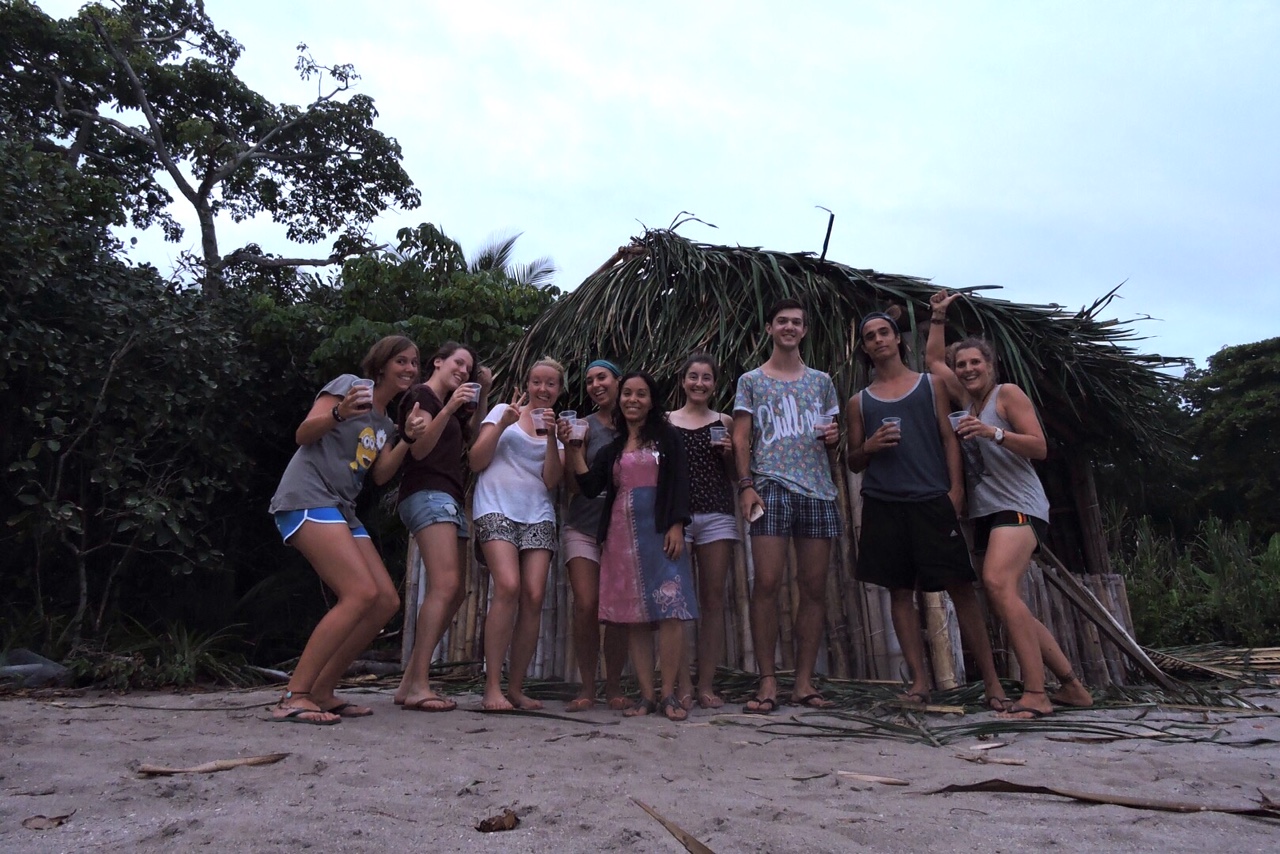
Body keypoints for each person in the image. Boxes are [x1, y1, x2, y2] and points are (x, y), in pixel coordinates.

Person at [927, 290, 1094, 717]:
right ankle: (1072, 686)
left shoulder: (1006, 395)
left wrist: (992, 434)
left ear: (990, 365)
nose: (966, 370)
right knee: (1007, 600)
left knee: (999, 586)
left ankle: (1036, 695)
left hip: (1020, 505)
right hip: (989, 511)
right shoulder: (968, 403)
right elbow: (933, 363)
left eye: (974, 363)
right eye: (962, 364)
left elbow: (1039, 447)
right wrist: (939, 317)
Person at [846, 310, 1008, 710]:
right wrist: (869, 446)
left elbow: (948, 438)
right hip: (884, 502)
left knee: (961, 590)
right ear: (865, 348)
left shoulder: (931, 385)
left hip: (931, 499)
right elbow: (852, 459)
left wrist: (955, 490)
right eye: (870, 336)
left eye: (885, 332)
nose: (879, 340)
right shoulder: (858, 402)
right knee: (900, 593)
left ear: (898, 340)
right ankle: (919, 683)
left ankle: (992, 683)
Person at [268, 335, 425, 724]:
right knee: (358, 593)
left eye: (414, 363)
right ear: (382, 364)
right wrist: (339, 413)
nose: (409, 369)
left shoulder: (386, 422)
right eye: (401, 361)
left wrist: (406, 437)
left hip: (342, 509)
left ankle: (322, 691)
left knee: (385, 601)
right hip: (307, 496)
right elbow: (304, 434)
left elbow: (381, 474)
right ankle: (295, 694)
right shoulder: (348, 386)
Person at [734, 299, 842, 714]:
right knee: (766, 583)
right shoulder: (751, 381)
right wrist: (746, 485)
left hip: (817, 489)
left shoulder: (822, 382)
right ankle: (766, 680)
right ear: (769, 328)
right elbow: (742, 438)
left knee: (813, 589)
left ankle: (802, 681)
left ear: (805, 329)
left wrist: (834, 439)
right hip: (770, 485)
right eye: (782, 321)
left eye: (797, 321)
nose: (790, 327)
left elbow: (833, 436)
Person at [569, 372, 697, 722]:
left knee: (670, 611)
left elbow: (680, 482)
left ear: (652, 400)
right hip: (621, 539)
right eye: (627, 393)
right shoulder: (612, 447)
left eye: (641, 394)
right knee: (635, 617)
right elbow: (589, 485)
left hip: (661, 532)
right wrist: (574, 449)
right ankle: (647, 696)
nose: (632, 400)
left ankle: (669, 693)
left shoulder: (667, 438)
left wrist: (676, 524)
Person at [393, 342, 490, 713]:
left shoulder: (449, 407)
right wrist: (448, 406)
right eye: (458, 362)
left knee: (457, 592)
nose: (464, 370)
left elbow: (472, 436)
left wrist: (482, 397)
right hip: (427, 493)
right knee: (445, 586)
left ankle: (408, 684)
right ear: (438, 361)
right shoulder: (422, 396)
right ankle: (419, 682)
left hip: (446, 496)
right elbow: (418, 450)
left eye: (468, 367)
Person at [469, 358, 566, 711]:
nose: (543, 389)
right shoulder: (502, 411)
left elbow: (552, 481)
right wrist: (503, 423)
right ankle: (491, 686)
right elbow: (476, 461)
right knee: (507, 586)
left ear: (558, 389)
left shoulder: (558, 427)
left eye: (550, 383)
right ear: (527, 383)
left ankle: (517, 687)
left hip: (537, 512)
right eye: (537, 381)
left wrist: (555, 436)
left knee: (535, 595)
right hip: (495, 504)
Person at [558, 359, 629, 712]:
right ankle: (587, 687)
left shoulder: (637, 426)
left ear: (618, 380)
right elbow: (575, 487)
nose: (595, 385)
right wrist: (573, 449)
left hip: (622, 530)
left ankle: (614, 686)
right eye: (588, 380)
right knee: (586, 605)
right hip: (583, 526)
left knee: (616, 611)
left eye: (602, 377)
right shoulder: (581, 426)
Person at [668, 353, 738, 710]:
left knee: (713, 601)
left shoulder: (724, 421)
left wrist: (729, 453)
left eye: (706, 378)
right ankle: (681, 684)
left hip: (718, 515)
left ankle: (706, 684)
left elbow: (736, 474)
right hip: (678, 518)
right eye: (693, 376)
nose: (699, 383)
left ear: (714, 383)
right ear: (683, 381)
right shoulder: (666, 422)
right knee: (678, 603)